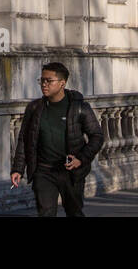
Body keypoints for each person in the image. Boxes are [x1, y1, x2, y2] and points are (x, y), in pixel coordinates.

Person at [10, 62, 105, 216]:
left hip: (71, 171)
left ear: (62, 83)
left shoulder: (79, 107)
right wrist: (17, 169)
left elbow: (97, 136)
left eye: (49, 80)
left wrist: (80, 159)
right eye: (42, 80)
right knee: (46, 212)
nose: (44, 84)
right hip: (43, 171)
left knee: (74, 212)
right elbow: (24, 140)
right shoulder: (34, 108)